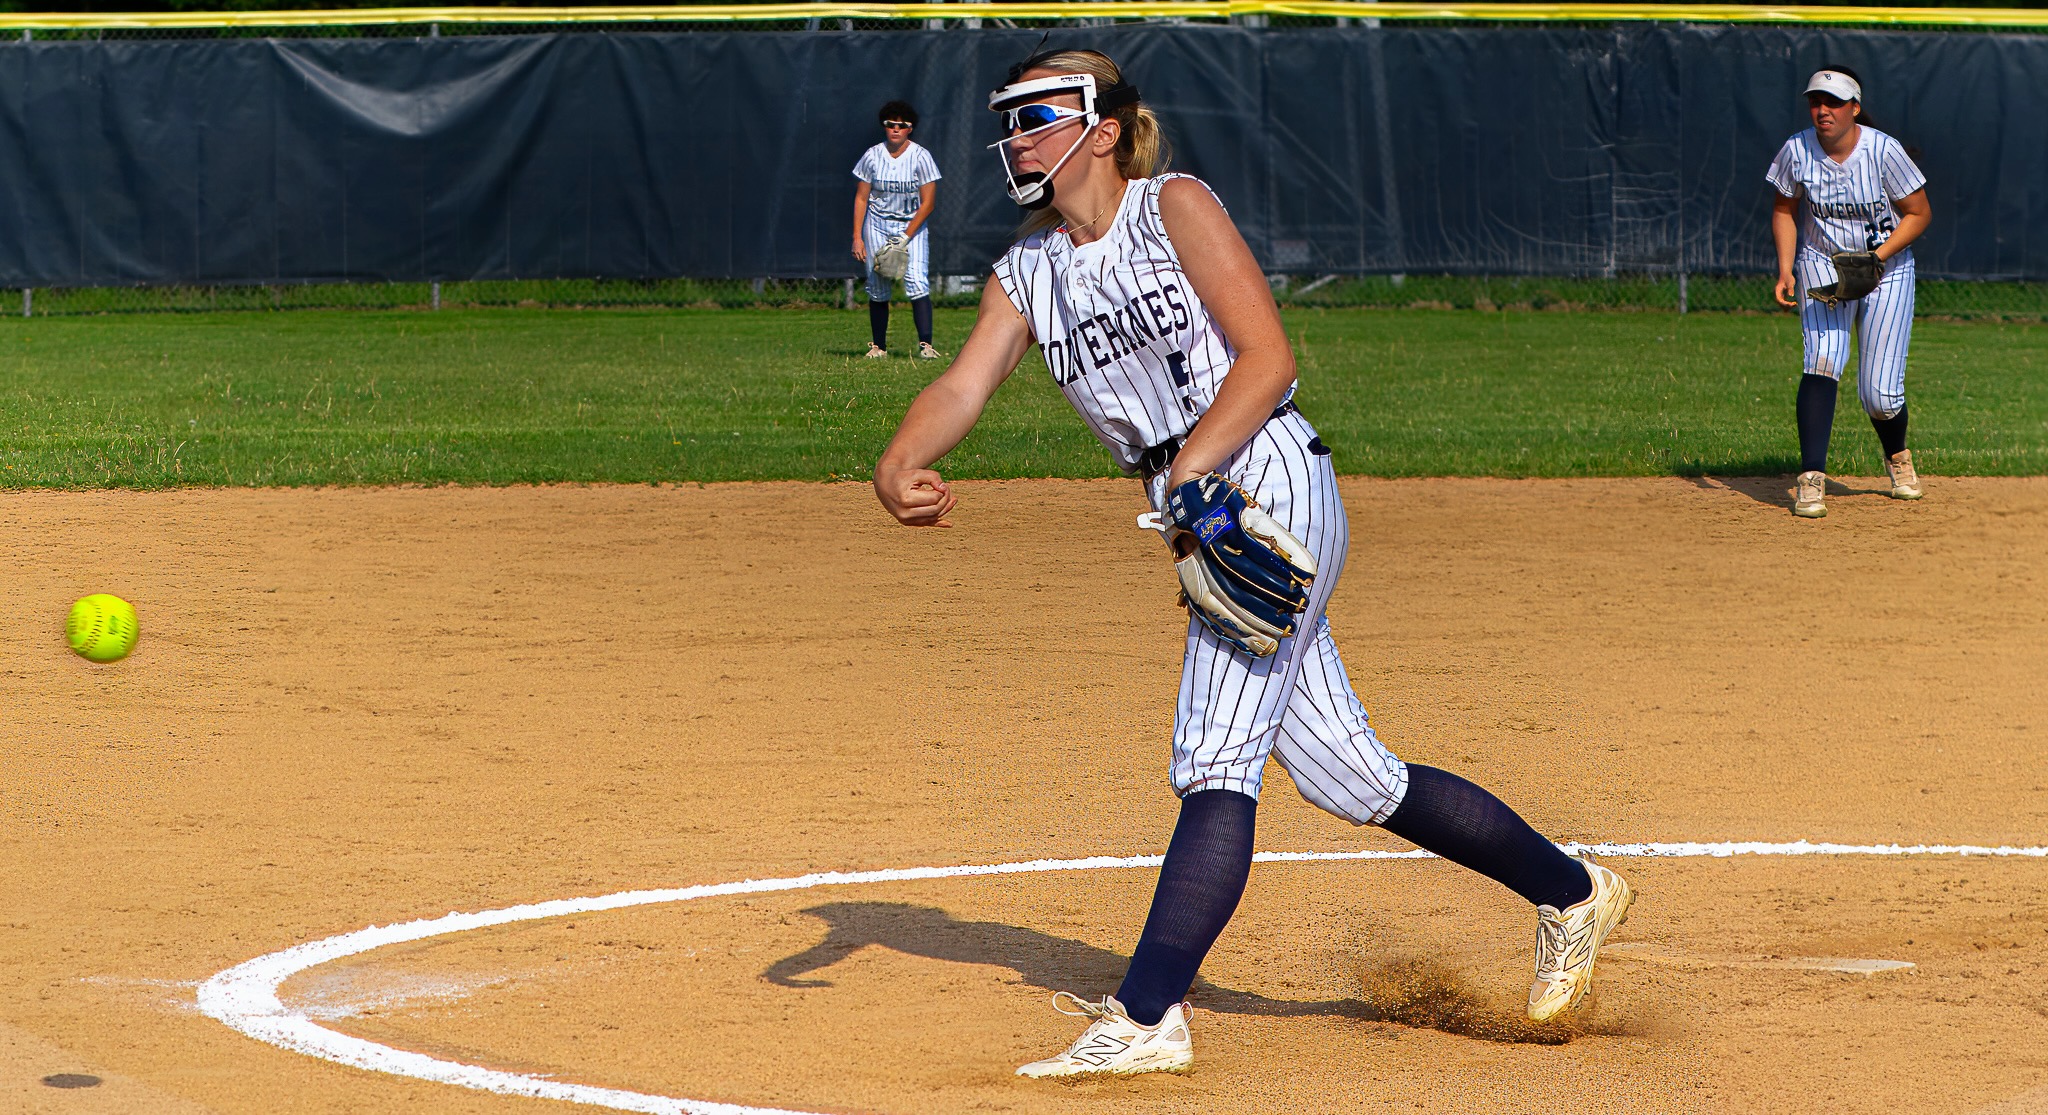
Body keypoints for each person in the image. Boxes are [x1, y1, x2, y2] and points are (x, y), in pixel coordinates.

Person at [871, 46, 1634, 1079]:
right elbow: (962, 383)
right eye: (1006, 119)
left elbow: (1267, 354)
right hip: (1192, 501)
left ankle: (1146, 1014)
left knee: (1213, 755)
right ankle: (1570, 889)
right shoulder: (1030, 271)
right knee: (1352, 775)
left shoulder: (1171, 206)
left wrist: (1191, 473)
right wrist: (900, 458)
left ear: (1099, 126)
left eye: (1035, 114)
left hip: (1259, 474)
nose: (1013, 135)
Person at [1768, 66, 1932, 518]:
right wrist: (1786, 269)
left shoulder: (1883, 151)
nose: (1823, 110)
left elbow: (1918, 214)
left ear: (1854, 108)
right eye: (1816, 101)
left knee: (1880, 396)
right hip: (1822, 267)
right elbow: (1784, 208)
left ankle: (1897, 457)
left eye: (1834, 102)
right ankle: (1811, 478)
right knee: (1821, 362)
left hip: (1887, 270)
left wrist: (1877, 257)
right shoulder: (1796, 150)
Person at [851, 100, 943, 360]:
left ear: (909, 129)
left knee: (916, 281)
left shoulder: (920, 156)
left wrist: (905, 236)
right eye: (890, 124)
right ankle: (878, 347)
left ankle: (926, 345)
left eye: (901, 125)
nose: (895, 129)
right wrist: (857, 237)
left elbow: (928, 203)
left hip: (911, 227)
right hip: (877, 224)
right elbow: (861, 198)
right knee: (878, 282)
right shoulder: (872, 156)